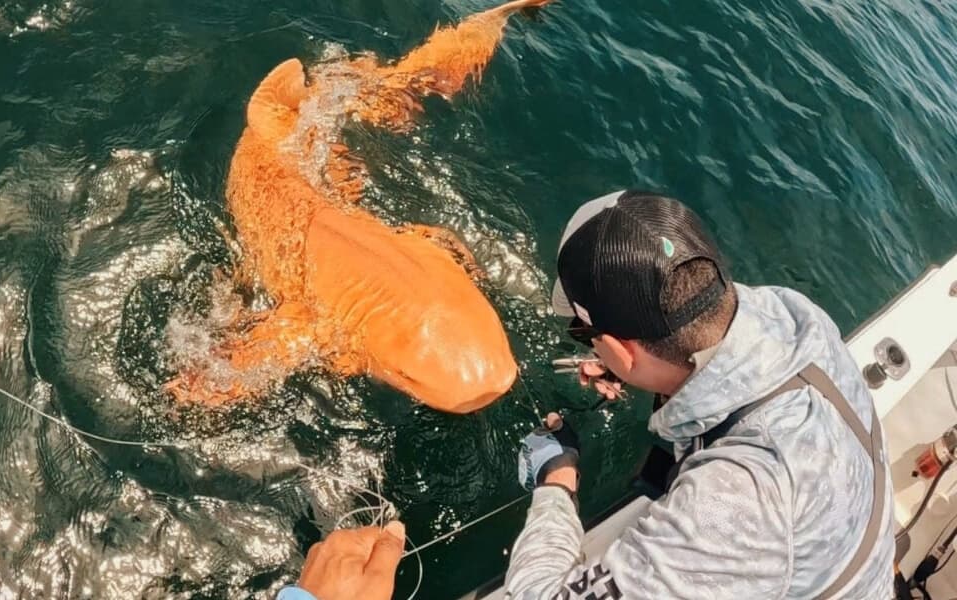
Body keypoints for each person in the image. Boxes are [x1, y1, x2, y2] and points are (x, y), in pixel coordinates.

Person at [279, 189, 895, 599]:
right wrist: (649, 386)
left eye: (583, 331)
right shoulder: (794, 322)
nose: (583, 344)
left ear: (623, 347)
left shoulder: (734, 509)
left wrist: (557, 484)